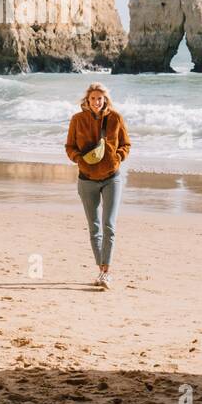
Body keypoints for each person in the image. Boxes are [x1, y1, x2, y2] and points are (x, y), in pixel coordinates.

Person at [65, 82, 130, 289]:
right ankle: (100, 268)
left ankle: (106, 272)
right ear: (87, 100)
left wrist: (117, 158)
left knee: (109, 225)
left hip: (112, 178)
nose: (96, 102)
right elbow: (69, 146)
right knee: (94, 228)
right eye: (93, 98)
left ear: (105, 100)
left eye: (100, 98)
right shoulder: (77, 120)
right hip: (87, 180)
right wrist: (79, 159)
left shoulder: (116, 118)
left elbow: (126, 144)